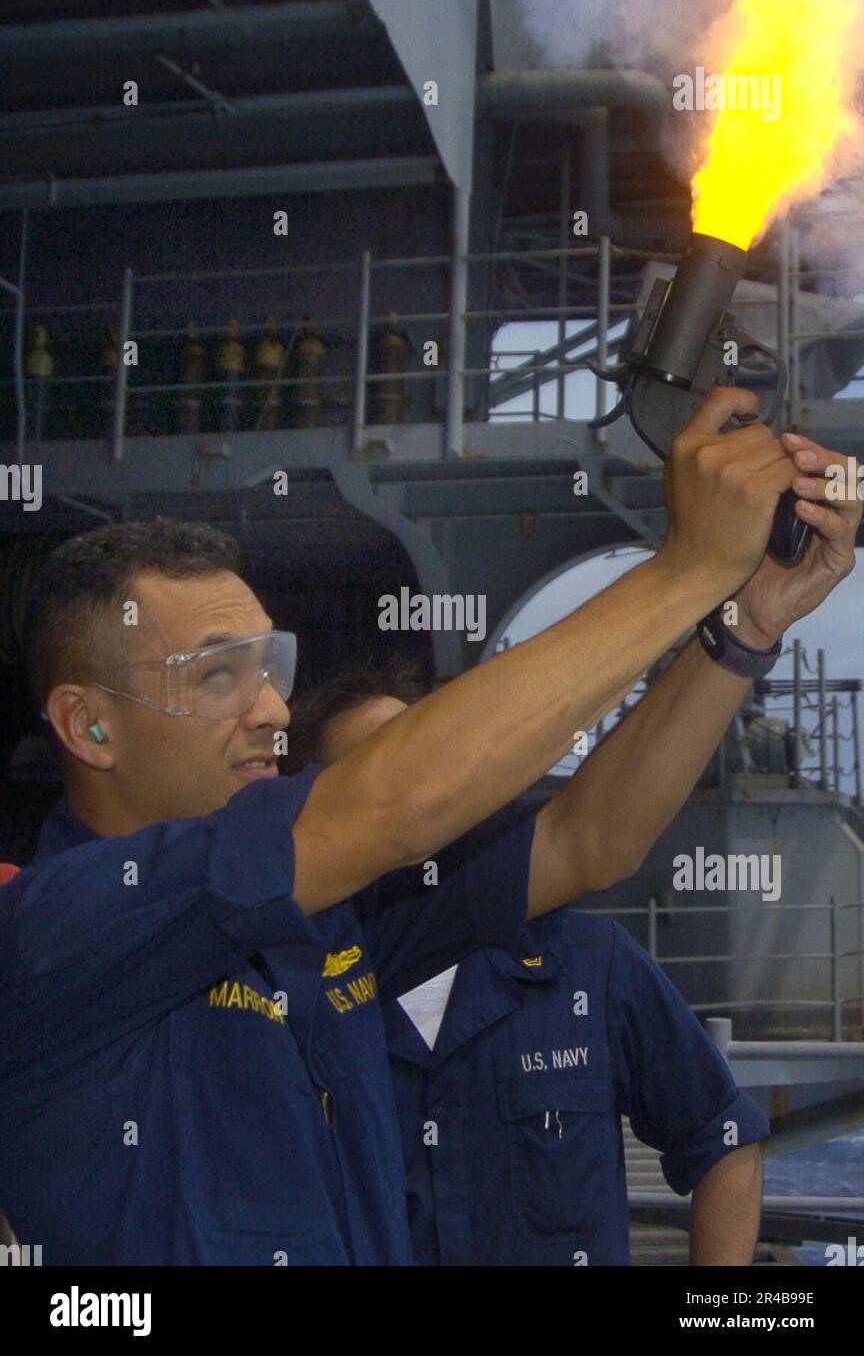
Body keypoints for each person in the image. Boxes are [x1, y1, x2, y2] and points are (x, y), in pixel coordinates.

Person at [0, 391, 858, 1265]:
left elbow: (588, 839)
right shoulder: (53, 932)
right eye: (218, 677)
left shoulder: (324, 924)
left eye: (270, 668)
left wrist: (743, 626)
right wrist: (685, 569)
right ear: (89, 727)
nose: (269, 709)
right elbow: (394, 808)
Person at [282, 663, 770, 1266]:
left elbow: (722, 1139)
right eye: (378, 776)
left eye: (428, 765)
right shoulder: (286, 992)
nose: (416, 797)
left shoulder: (593, 964)